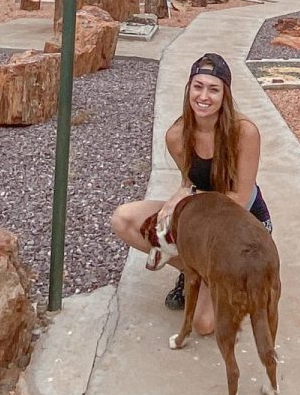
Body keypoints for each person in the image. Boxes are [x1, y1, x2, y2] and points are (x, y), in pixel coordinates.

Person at [109, 52, 271, 336]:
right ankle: (194, 272)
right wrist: (176, 199)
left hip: (243, 225)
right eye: (198, 86)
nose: (204, 96)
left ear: (225, 94)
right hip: (203, 220)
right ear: (189, 88)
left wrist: (188, 205)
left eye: (213, 89)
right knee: (124, 220)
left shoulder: (244, 132)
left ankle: (229, 277)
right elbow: (189, 181)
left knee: (204, 326)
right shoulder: (177, 135)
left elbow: (242, 199)